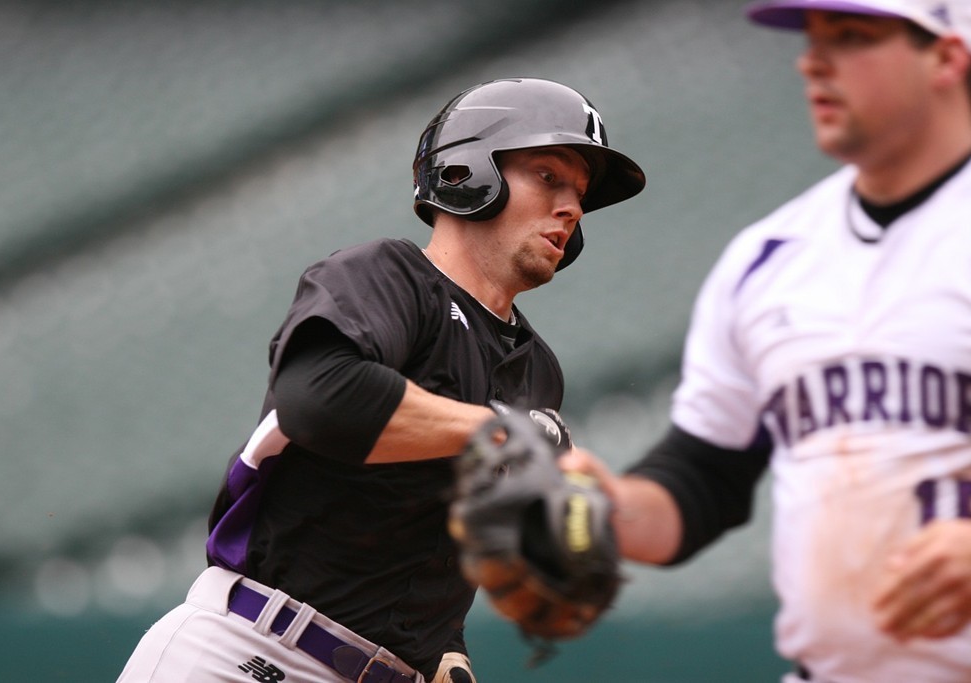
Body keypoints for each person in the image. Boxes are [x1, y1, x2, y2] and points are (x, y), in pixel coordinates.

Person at [115, 77, 646, 683]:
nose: (572, 207)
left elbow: (442, 540)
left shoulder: (537, 371)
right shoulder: (385, 276)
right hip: (251, 652)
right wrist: (503, 431)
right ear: (467, 172)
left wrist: (447, 647)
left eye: (579, 193)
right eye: (549, 176)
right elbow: (319, 400)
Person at [559, 1, 971, 681]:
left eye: (852, 36)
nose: (812, 60)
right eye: (812, 39)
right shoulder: (770, 257)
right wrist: (605, 511)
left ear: (948, 56)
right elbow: (703, 478)